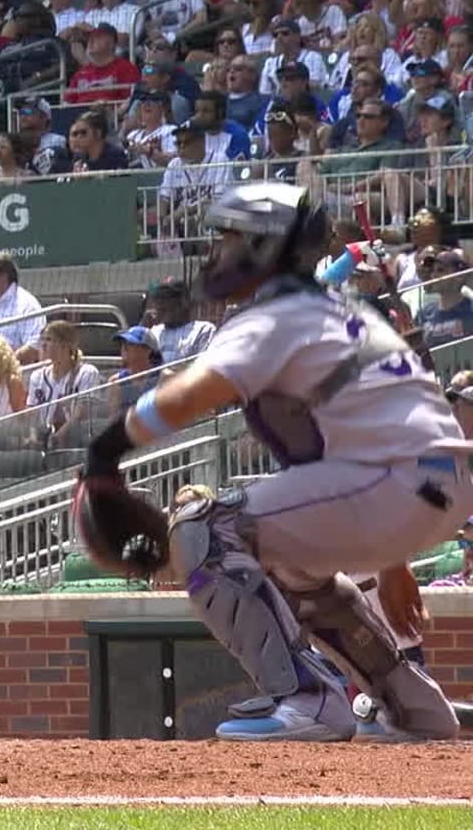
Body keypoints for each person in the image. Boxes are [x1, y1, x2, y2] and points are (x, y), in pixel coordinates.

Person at [76, 182, 469, 743]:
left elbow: (191, 394)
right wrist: (392, 560)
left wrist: (104, 451)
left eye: (231, 239)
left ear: (268, 249)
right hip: (432, 482)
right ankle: (414, 709)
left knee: (202, 525)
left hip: (392, 478)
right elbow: (358, 435)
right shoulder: (347, 313)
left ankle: (306, 699)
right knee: (289, 563)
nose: (217, 253)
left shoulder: (276, 313)